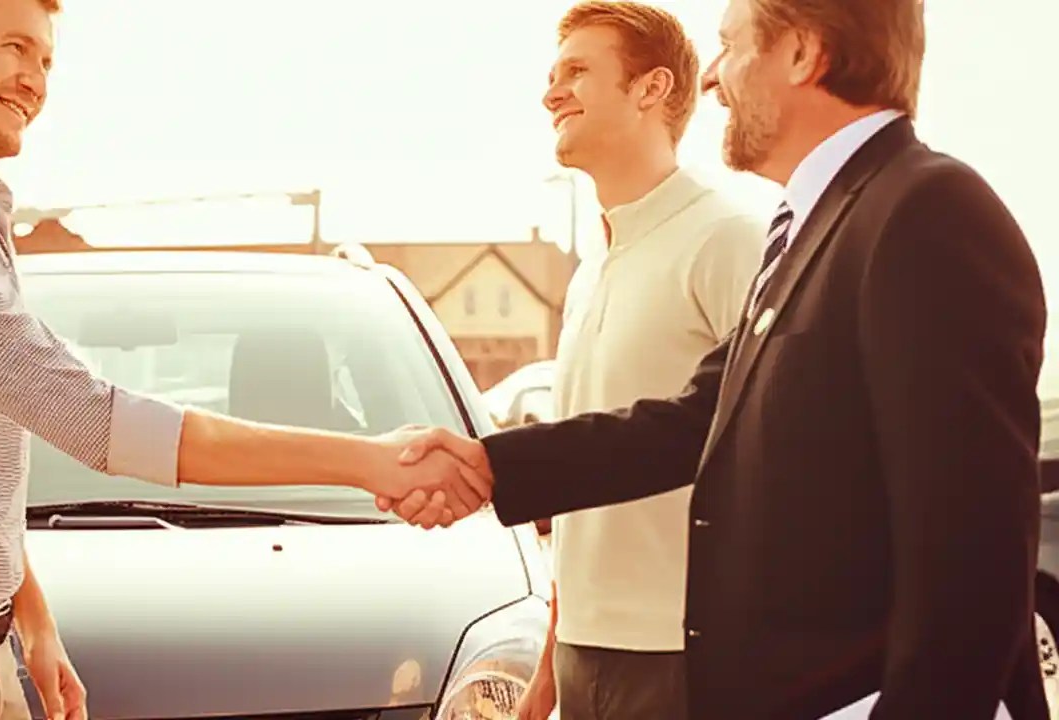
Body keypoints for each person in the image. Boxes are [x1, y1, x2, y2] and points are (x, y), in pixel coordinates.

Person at [0, 1, 484, 719]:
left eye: (46, 60)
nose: (35, 79)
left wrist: (33, 621)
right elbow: (93, 419)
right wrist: (368, 462)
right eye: (16, 48)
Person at [384, 0, 1050, 717]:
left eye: (731, 48)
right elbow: (696, 423)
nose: (711, 80)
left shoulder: (927, 212)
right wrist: (492, 465)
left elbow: (972, 562)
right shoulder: (812, 228)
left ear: (801, 54)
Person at [514, 4, 763, 719]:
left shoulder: (728, 239)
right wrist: (551, 661)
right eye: (552, 75)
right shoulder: (592, 265)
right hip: (581, 652)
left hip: (684, 656)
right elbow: (585, 470)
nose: (551, 93)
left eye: (577, 72)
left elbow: (771, 456)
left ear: (651, 89)